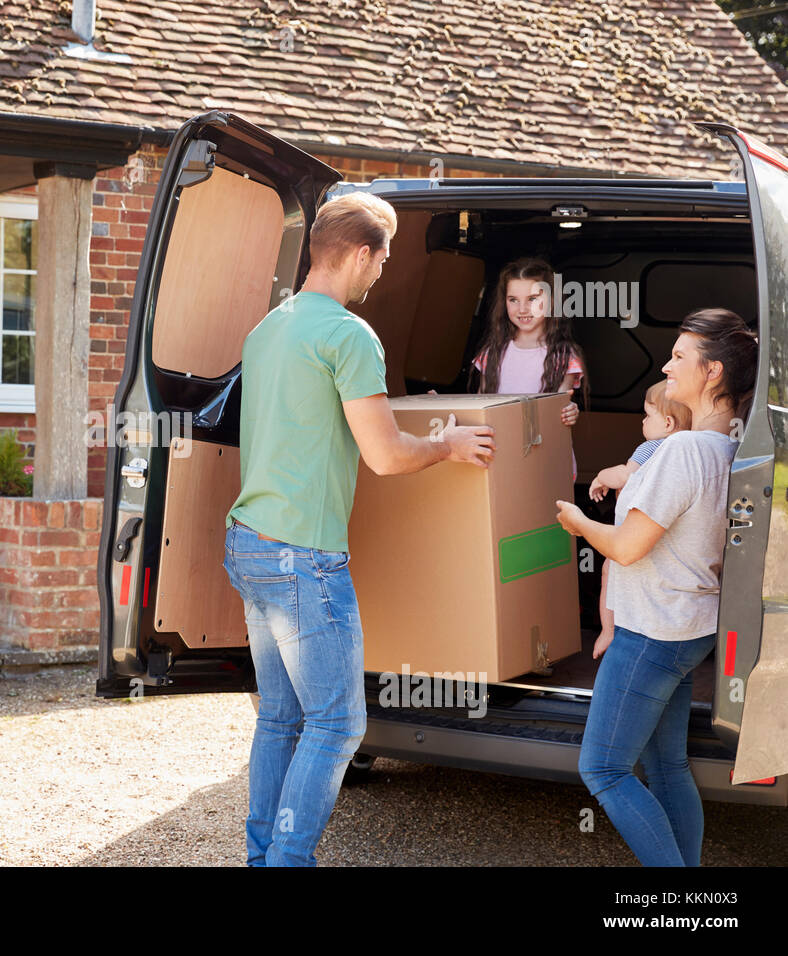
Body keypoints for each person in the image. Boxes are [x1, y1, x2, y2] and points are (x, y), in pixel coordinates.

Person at [222, 191, 496, 867]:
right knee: (339, 724)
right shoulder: (348, 335)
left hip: (250, 544)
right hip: (302, 559)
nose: (384, 271)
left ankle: (264, 858)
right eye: (385, 256)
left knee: (283, 719)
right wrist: (449, 443)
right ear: (360, 253)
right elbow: (386, 455)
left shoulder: (270, 328)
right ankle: (286, 862)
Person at [555, 308, 758, 866]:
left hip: (651, 632)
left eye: (679, 356)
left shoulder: (683, 450)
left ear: (712, 373)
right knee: (666, 765)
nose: (666, 365)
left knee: (602, 768)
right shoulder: (727, 449)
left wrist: (578, 522)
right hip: (689, 629)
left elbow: (625, 547)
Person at [588, 379, 692, 659]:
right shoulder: (690, 449)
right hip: (665, 540)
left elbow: (625, 474)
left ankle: (608, 632)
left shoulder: (651, 448)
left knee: (610, 570)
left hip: (634, 531)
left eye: (647, 416)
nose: (643, 422)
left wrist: (600, 477)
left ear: (668, 424)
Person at [471, 256, 585, 476]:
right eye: (513, 299)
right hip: (501, 457)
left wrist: (570, 413)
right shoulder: (492, 353)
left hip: (546, 462)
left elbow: (559, 411)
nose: (522, 309)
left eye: (532, 298)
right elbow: (479, 406)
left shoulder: (564, 356)